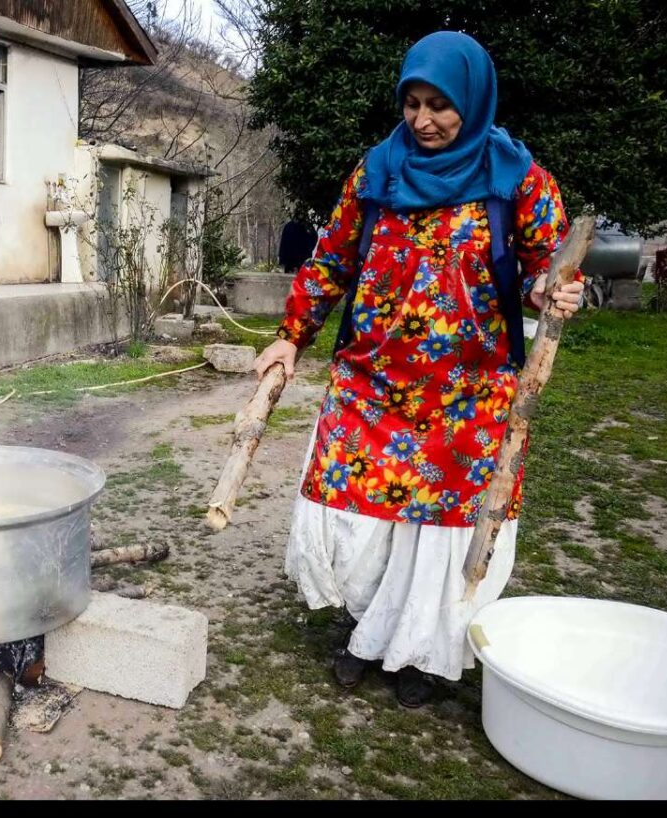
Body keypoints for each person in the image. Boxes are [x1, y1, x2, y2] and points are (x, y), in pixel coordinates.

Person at [253, 32, 585, 707]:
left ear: (473, 100)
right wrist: (291, 337)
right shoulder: (376, 172)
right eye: (412, 104)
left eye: (440, 105)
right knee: (350, 513)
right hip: (372, 384)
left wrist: (555, 288)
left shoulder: (517, 178)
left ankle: (424, 656)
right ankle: (366, 630)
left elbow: (545, 268)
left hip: (470, 391)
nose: (423, 120)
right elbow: (330, 263)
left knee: (445, 529)